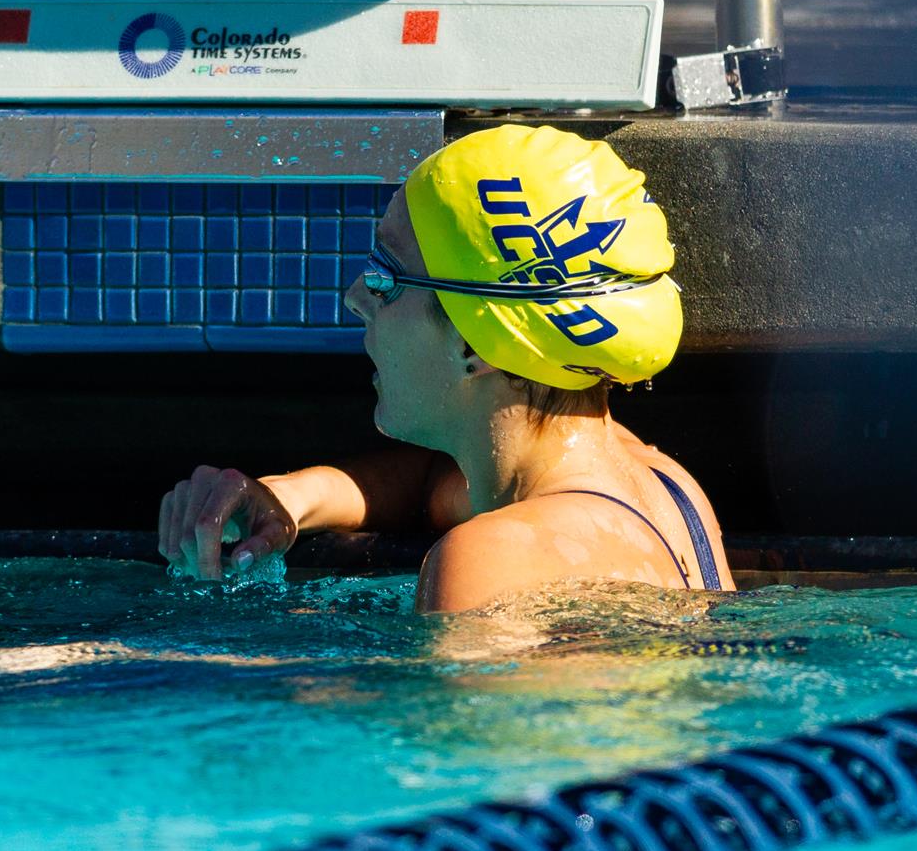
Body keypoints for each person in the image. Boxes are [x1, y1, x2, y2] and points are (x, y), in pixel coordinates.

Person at [158, 124, 734, 614]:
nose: (356, 296)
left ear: (475, 344)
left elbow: (446, 744)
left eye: (386, 277)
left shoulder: (491, 558)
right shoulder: (652, 482)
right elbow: (437, 487)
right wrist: (288, 498)